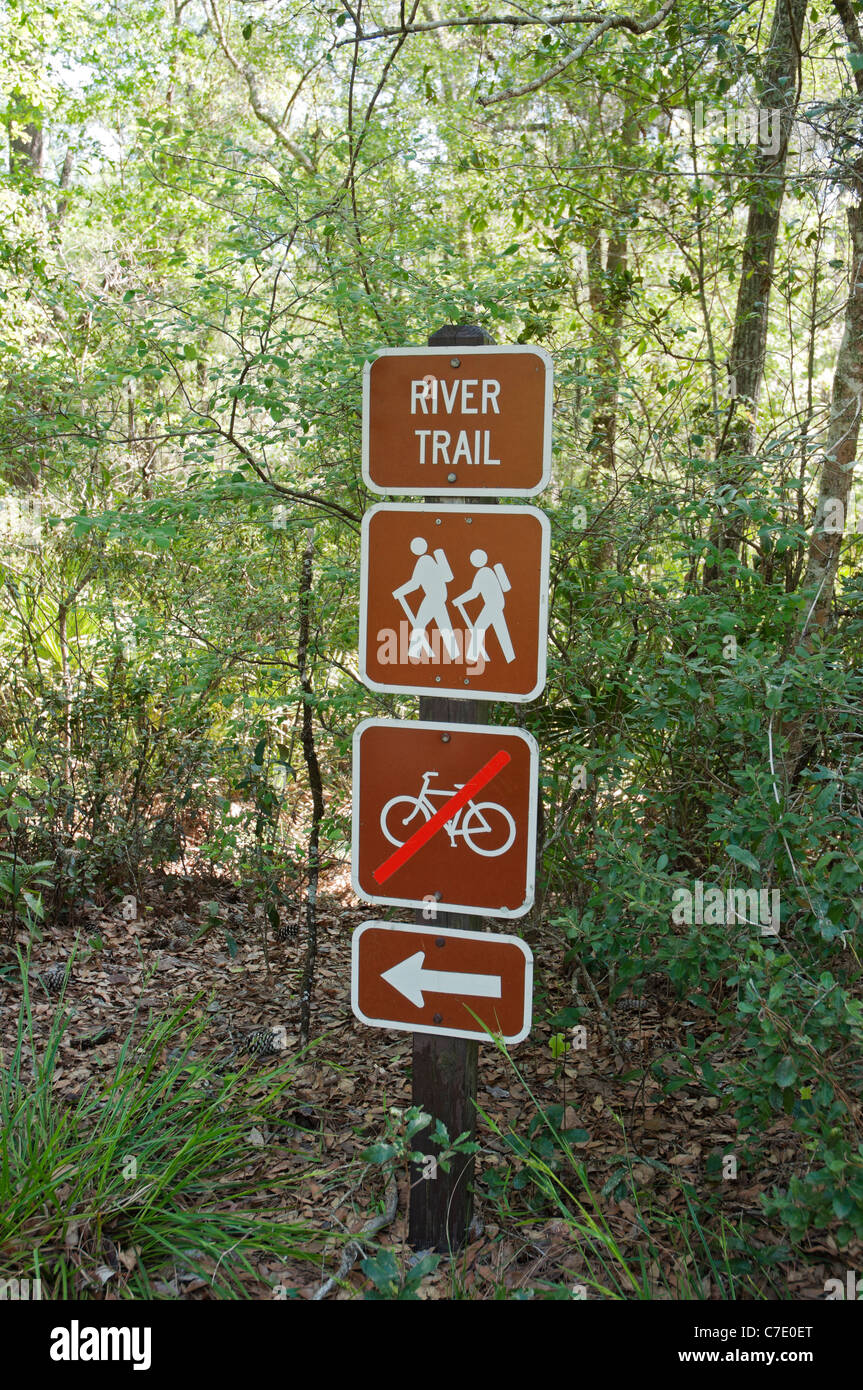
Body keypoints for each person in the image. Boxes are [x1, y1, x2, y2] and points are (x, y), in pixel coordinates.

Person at [392, 537, 457, 659]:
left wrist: (398, 592)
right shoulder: (430, 560)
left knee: (420, 624)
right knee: (445, 626)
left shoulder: (424, 561)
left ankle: (414, 654)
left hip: (433, 597)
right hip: (440, 596)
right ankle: (454, 654)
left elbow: (415, 583)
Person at [453, 548, 515, 664]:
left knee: (478, 628)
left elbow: (474, 593)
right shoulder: (488, 571)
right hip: (497, 604)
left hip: (492, 605)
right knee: (501, 631)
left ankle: (473, 658)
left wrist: (458, 600)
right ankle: (510, 658)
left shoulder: (483, 573)